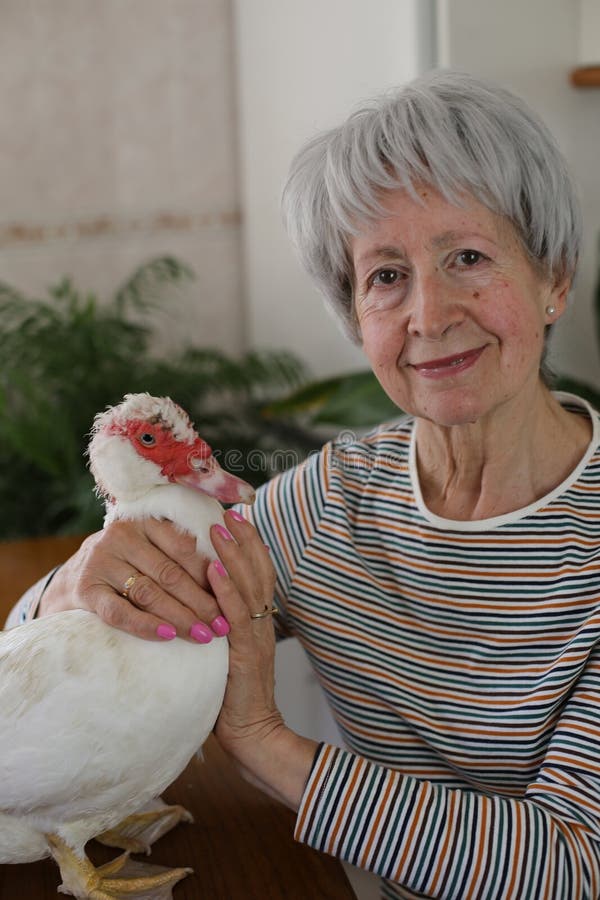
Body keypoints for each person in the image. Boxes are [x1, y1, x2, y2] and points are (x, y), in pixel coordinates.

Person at [9, 70, 600, 899]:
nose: (428, 315)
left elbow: (574, 867)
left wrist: (261, 739)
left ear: (555, 279)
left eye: (468, 256)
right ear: (356, 315)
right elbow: (37, 640)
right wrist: (79, 585)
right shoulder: (334, 503)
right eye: (386, 276)